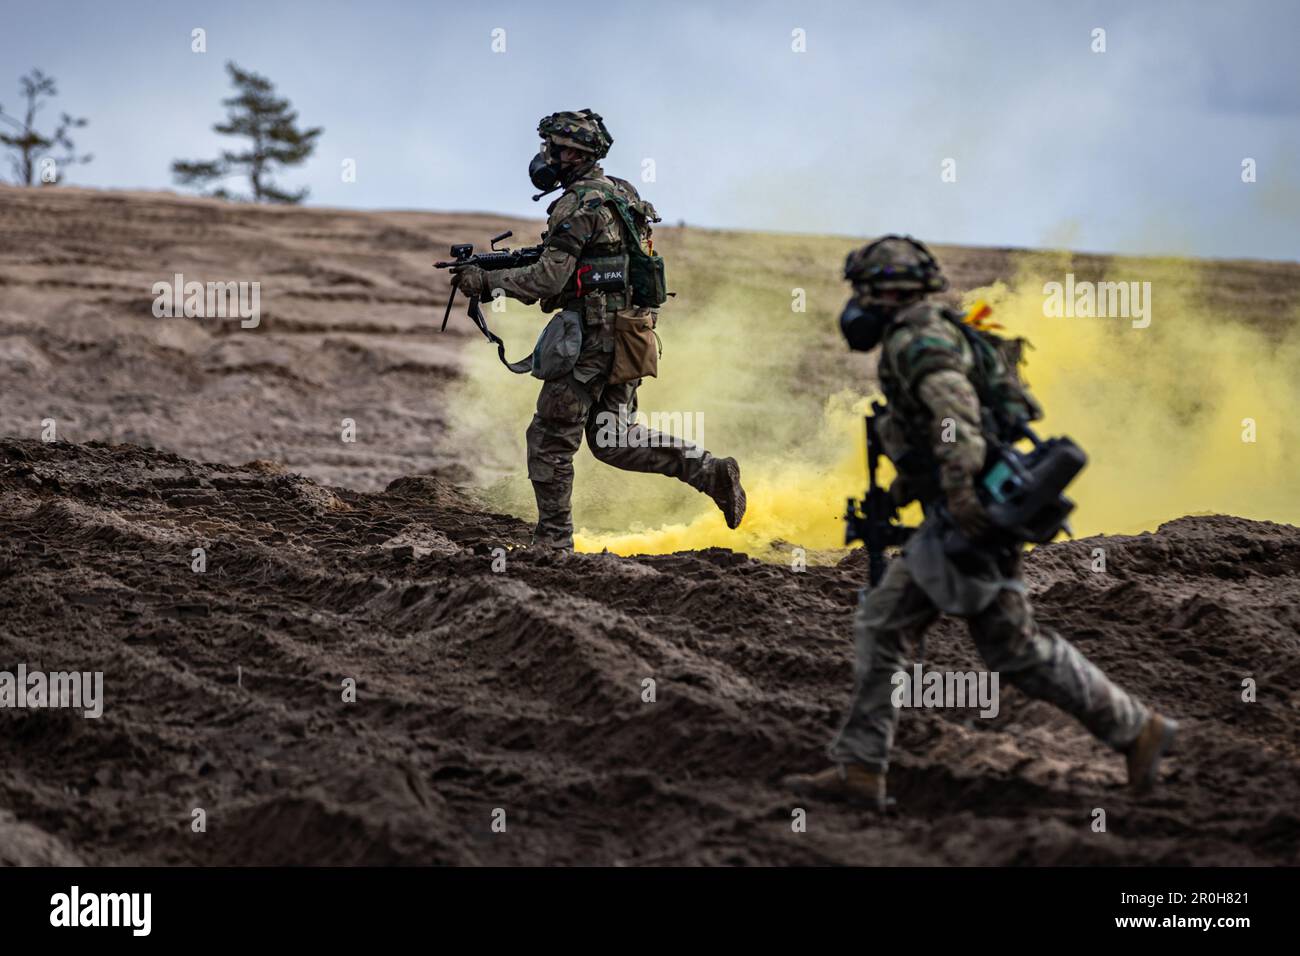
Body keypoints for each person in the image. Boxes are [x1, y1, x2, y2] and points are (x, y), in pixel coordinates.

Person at [784, 235, 1176, 809]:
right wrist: (904, 490)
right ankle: (1137, 730)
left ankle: (861, 770)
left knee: (887, 625)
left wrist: (963, 504)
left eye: (863, 291)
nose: (856, 305)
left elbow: (957, 418)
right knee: (1013, 650)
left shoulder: (917, 339)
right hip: (972, 511)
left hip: (966, 519)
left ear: (884, 292)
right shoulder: (929, 330)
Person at [452, 109, 745, 550]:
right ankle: (712, 472)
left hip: (592, 341)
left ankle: (553, 544)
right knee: (615, 439)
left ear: (571, 152)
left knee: (550, 441)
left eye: (551, 147)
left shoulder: (575, 204)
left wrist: (486, 281)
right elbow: (603, 261)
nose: (544, 156)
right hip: (630, 333)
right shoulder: (621, 193)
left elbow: (547, 281)